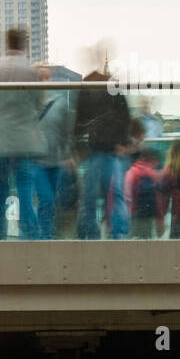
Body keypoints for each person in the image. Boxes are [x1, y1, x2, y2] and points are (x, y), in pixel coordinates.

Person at [0, 29, 44, 239]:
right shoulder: (31, 72)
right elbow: (39, 103)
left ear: (6, 43)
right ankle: (30, 235)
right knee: (25, 188)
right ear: (24, 45)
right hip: (24, 140)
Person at [73, 69, 132, 239]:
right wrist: (122, 143)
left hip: (95, 150)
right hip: (111, 150)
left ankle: (89, 234)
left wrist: (78, 146)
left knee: (89, 196)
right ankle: (118, 234)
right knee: (116, 194)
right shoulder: (113, 89)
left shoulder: (90, 87)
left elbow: (80, 120)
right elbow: (124, 116)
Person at [34, 64, 76, 240]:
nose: (44, 81)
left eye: (47, 77)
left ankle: (49, 235)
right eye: (40, 77)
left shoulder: (59, 103)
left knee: (53, 202)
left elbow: (65, 133)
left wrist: (67, 156)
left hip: (56, 162)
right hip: (36, 163)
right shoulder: (29, 104)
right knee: (46, 200)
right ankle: (45, 238)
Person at [125, 145, 166, 239]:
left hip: (129, 216)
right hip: (143, 218)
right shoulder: (149, 173)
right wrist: (160, 220)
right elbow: (156, 200)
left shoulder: (131, 171)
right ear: (153, 159)